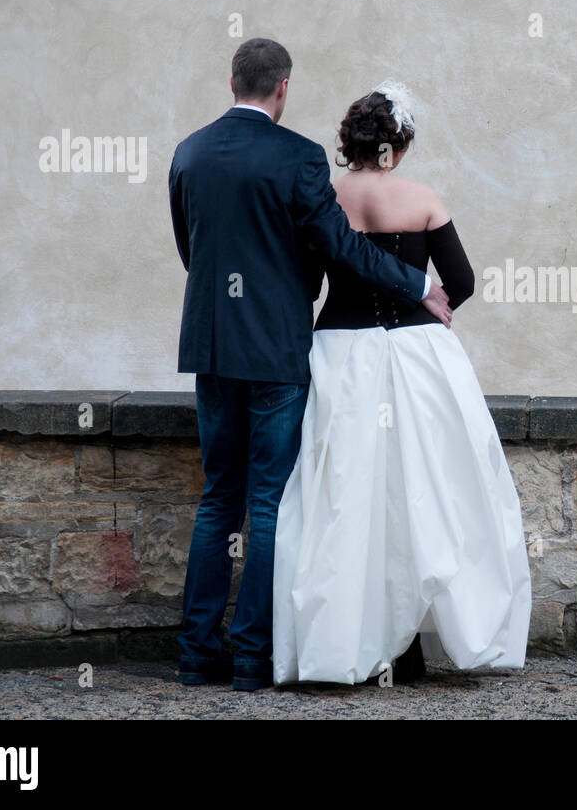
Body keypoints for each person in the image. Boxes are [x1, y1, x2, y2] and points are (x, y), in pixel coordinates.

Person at [169, 41, 453, 692]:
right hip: (276, 349)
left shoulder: (189, 152)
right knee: (266, 501)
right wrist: (415, 284)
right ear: (283, 89)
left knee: (219, 498)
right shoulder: (297, 157)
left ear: (232, 79)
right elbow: (343, 247)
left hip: (214, 347)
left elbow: (195, 248)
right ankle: (250, 658)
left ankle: (194, 654)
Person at [272, 81, 531, 686]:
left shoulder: (325, 197)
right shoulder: (421, 197)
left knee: (346, 495)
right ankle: (414, 637)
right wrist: (430, 304)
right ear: (399, 143)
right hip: (418, 358)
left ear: (351, 141)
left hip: (340, 350)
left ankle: (346, 640)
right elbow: (461, 280)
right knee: (430, 489)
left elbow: (306, 279)